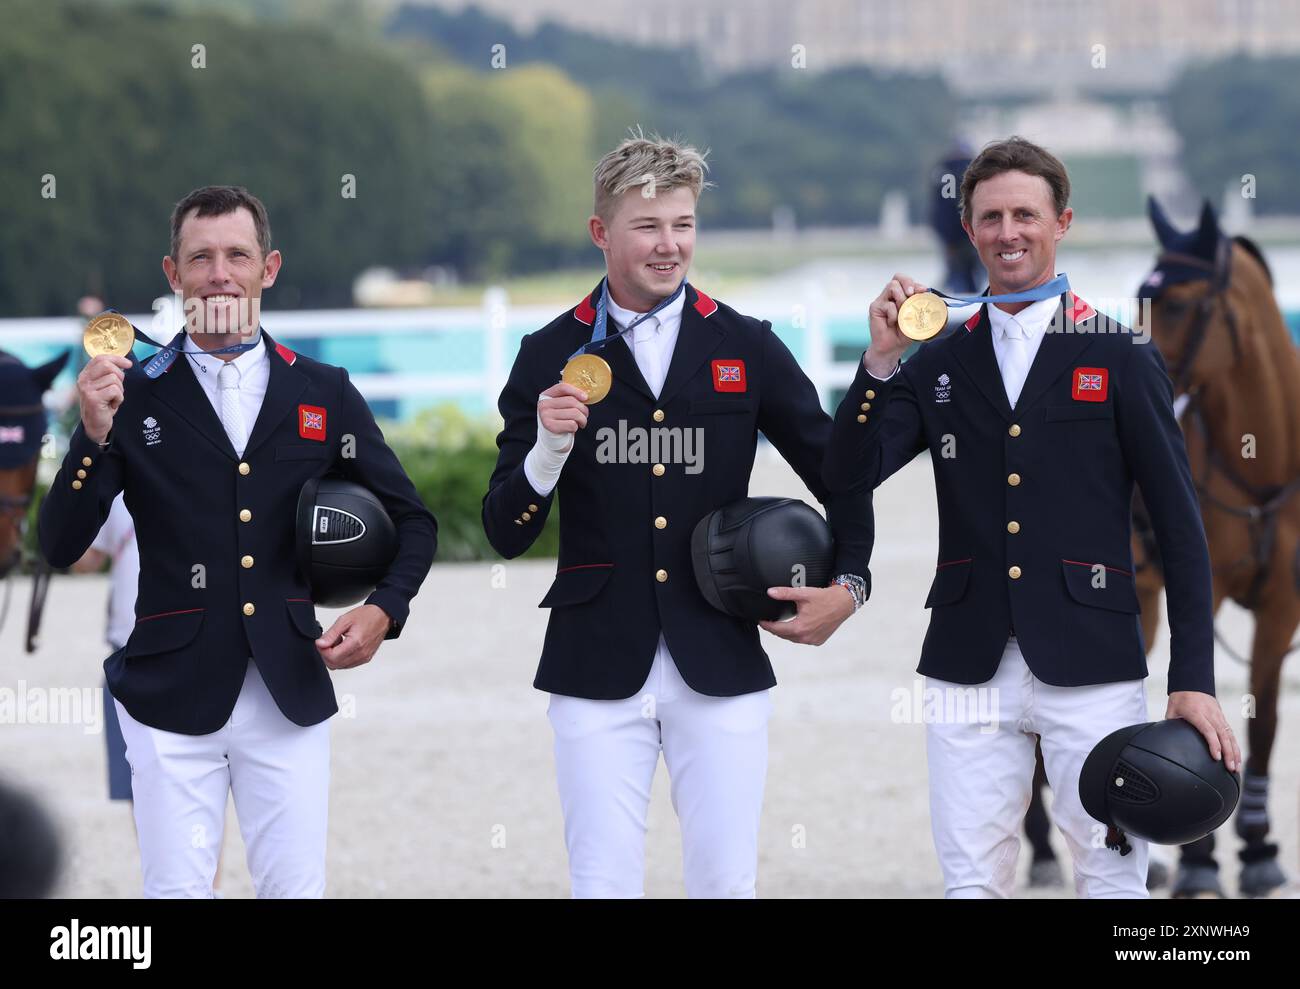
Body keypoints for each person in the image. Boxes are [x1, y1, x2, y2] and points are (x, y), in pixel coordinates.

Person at [824, 136, 1239, 898]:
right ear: (970, 228)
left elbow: (1181, 526)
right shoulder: (938, 360)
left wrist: (1194, 678)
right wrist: (880, 364)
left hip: (1093, 660)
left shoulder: (1121, 353)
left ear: (1062, 221)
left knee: (1112, 878)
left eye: (1024, 214)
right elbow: (845, 474)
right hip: (965, 661)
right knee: (971, 883)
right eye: (990, 217)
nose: (1007, 232)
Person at [483, 135, 874, 898]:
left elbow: (840, 472)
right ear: (602, 232)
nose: (670, 246)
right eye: (649, 226)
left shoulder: (747, 344)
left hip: (722, 653)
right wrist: (546, 449)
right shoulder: (547, 353)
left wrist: (852, 584)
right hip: (594, 659)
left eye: (684, 225)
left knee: (726, 883)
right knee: (601, 883)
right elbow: (507, 528)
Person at [38, 185, 437, 898]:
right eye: (201, 257)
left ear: (269, 267)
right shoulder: (132, 395)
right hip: (167, 694)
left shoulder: (323, 391)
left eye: (237, 255)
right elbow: (61, 543)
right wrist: (91, 439)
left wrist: (385, 609)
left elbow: (414, 520)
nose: (219, 272)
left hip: (288, 685)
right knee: (176, 892)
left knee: (294, 890)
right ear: (173, 274)